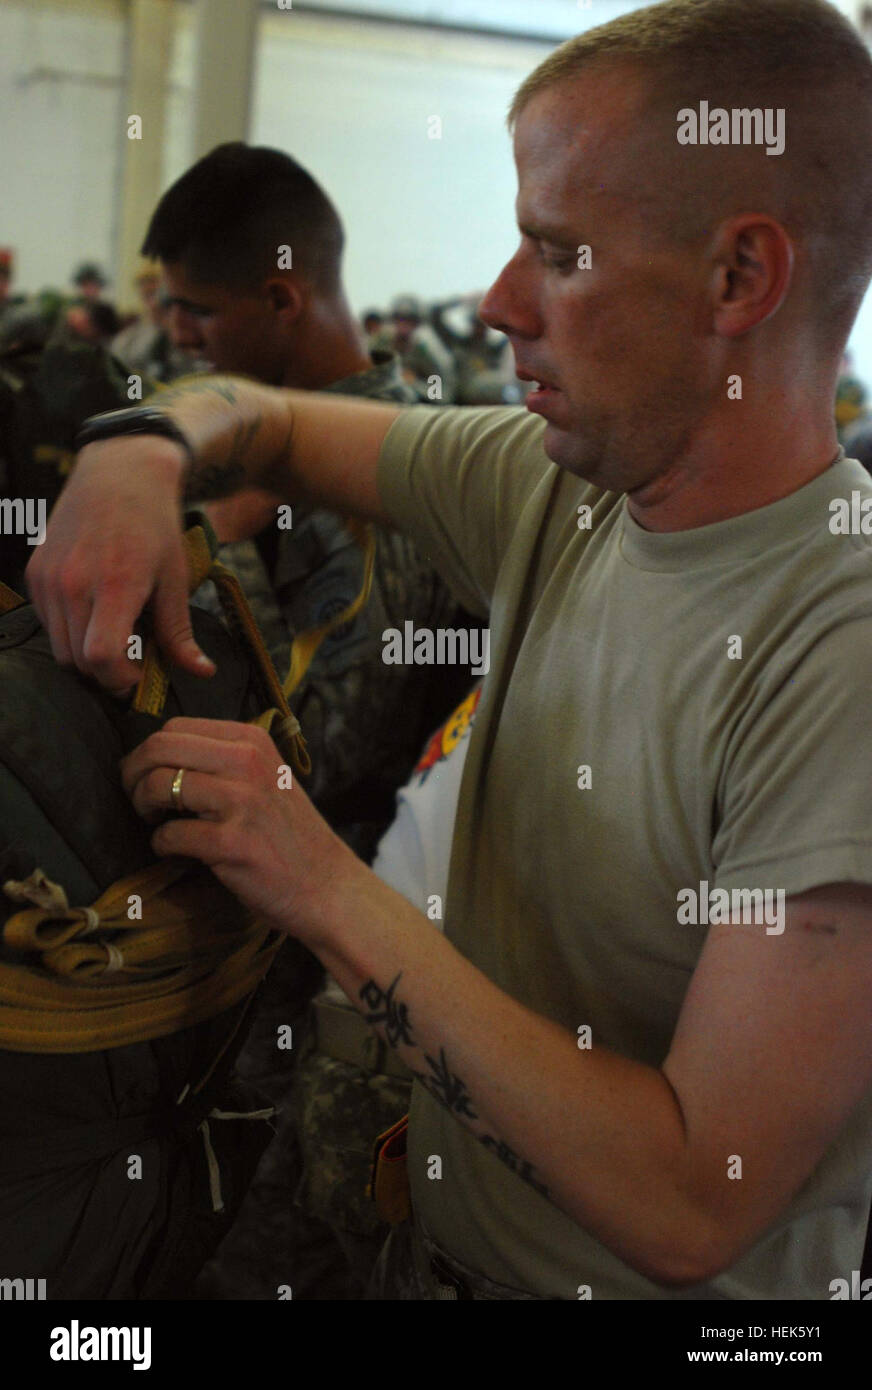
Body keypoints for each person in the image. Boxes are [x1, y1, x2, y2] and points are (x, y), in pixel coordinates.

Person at [28, 0, 872, 1301]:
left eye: (560, 252)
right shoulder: (563, 486)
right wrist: (138, 447)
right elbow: (265, 414)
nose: (498, 302)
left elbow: (695, 1195)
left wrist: (312, 876)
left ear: (739, 280)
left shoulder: (840, 655)